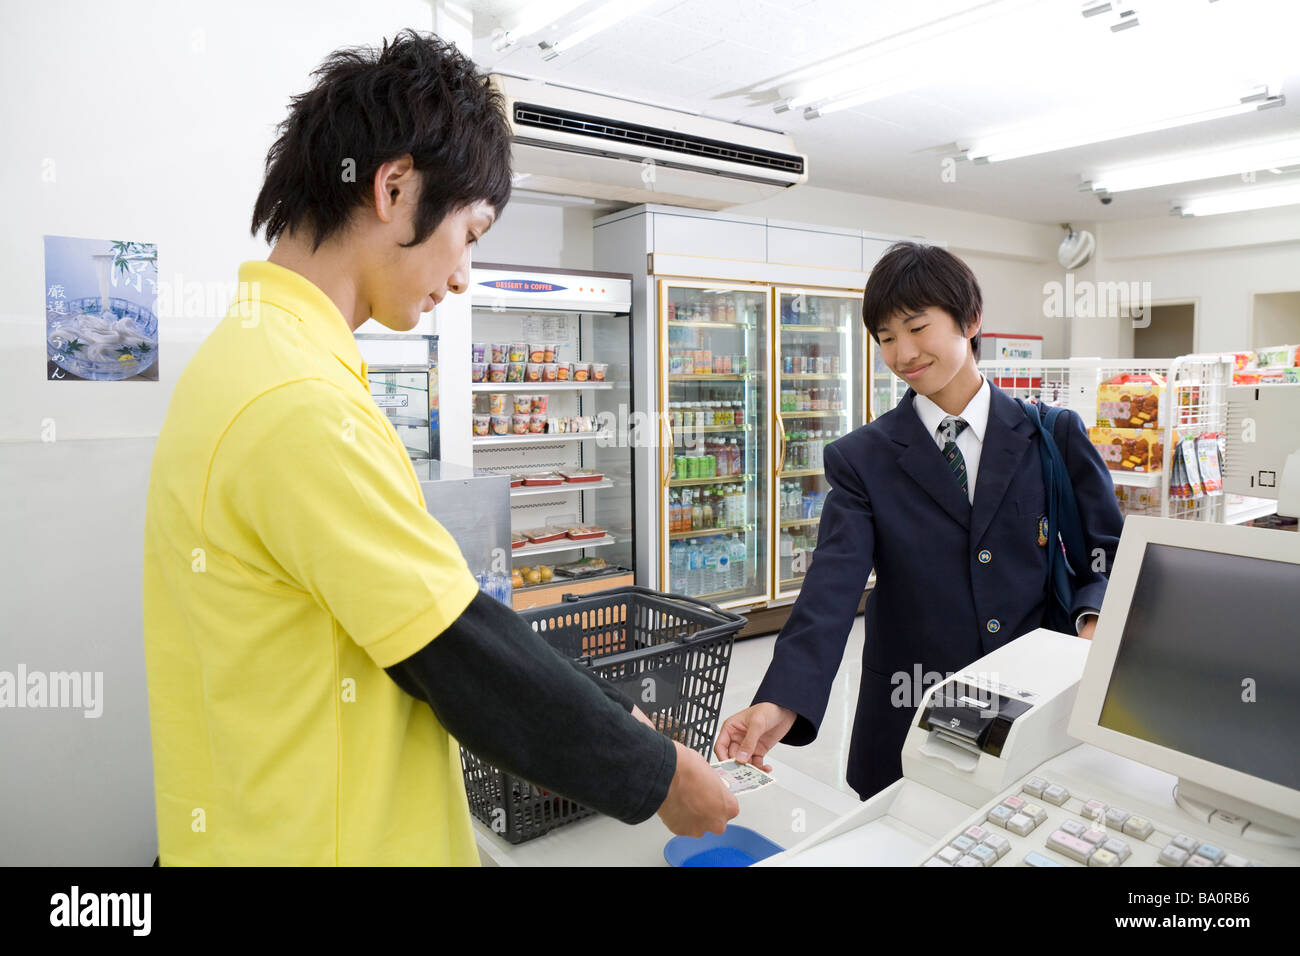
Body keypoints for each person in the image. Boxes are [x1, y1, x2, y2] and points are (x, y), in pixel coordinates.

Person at [141, 30, 737, 866]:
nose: (463, 275)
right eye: (471, 232)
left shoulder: (248, 355)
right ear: (394, 186)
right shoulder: (298, 400)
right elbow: (459, 651)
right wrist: (663, 772)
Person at [714, 242, 1123, 800]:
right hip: (913, 705)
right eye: (885, 337)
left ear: (970, 320)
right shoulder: (863, 457)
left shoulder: (1054, 435)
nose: (902, 352)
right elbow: (832, 585)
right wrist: (781, 697)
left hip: (1035, 693)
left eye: (915, 327)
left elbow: (1110, 552)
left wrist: (1091, 619)